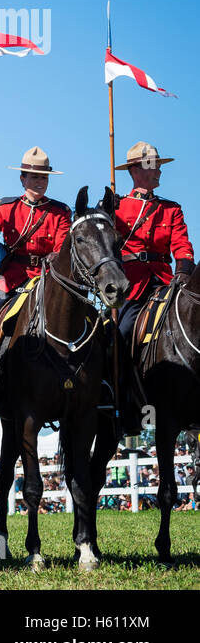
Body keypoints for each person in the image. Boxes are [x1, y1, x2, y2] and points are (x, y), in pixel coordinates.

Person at [0, 146, 71, 411]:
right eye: (34, 177)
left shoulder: (60, 212)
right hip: (7, 279)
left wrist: (55, 258)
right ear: (22, 179)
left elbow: (63, 247)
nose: (40, 182)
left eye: (44, 178)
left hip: (45, 279)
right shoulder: (6, 207)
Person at [113, 141, 194, 433]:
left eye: (159, 164)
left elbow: (183, 247)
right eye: (153, 164)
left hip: (164, 283)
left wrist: (183, 272)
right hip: (132, 286)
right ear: (136, 170)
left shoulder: (171, 209)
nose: (159, 170)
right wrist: (108, 212)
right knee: (120, 336)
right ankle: (122, 402)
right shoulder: (118, 206)